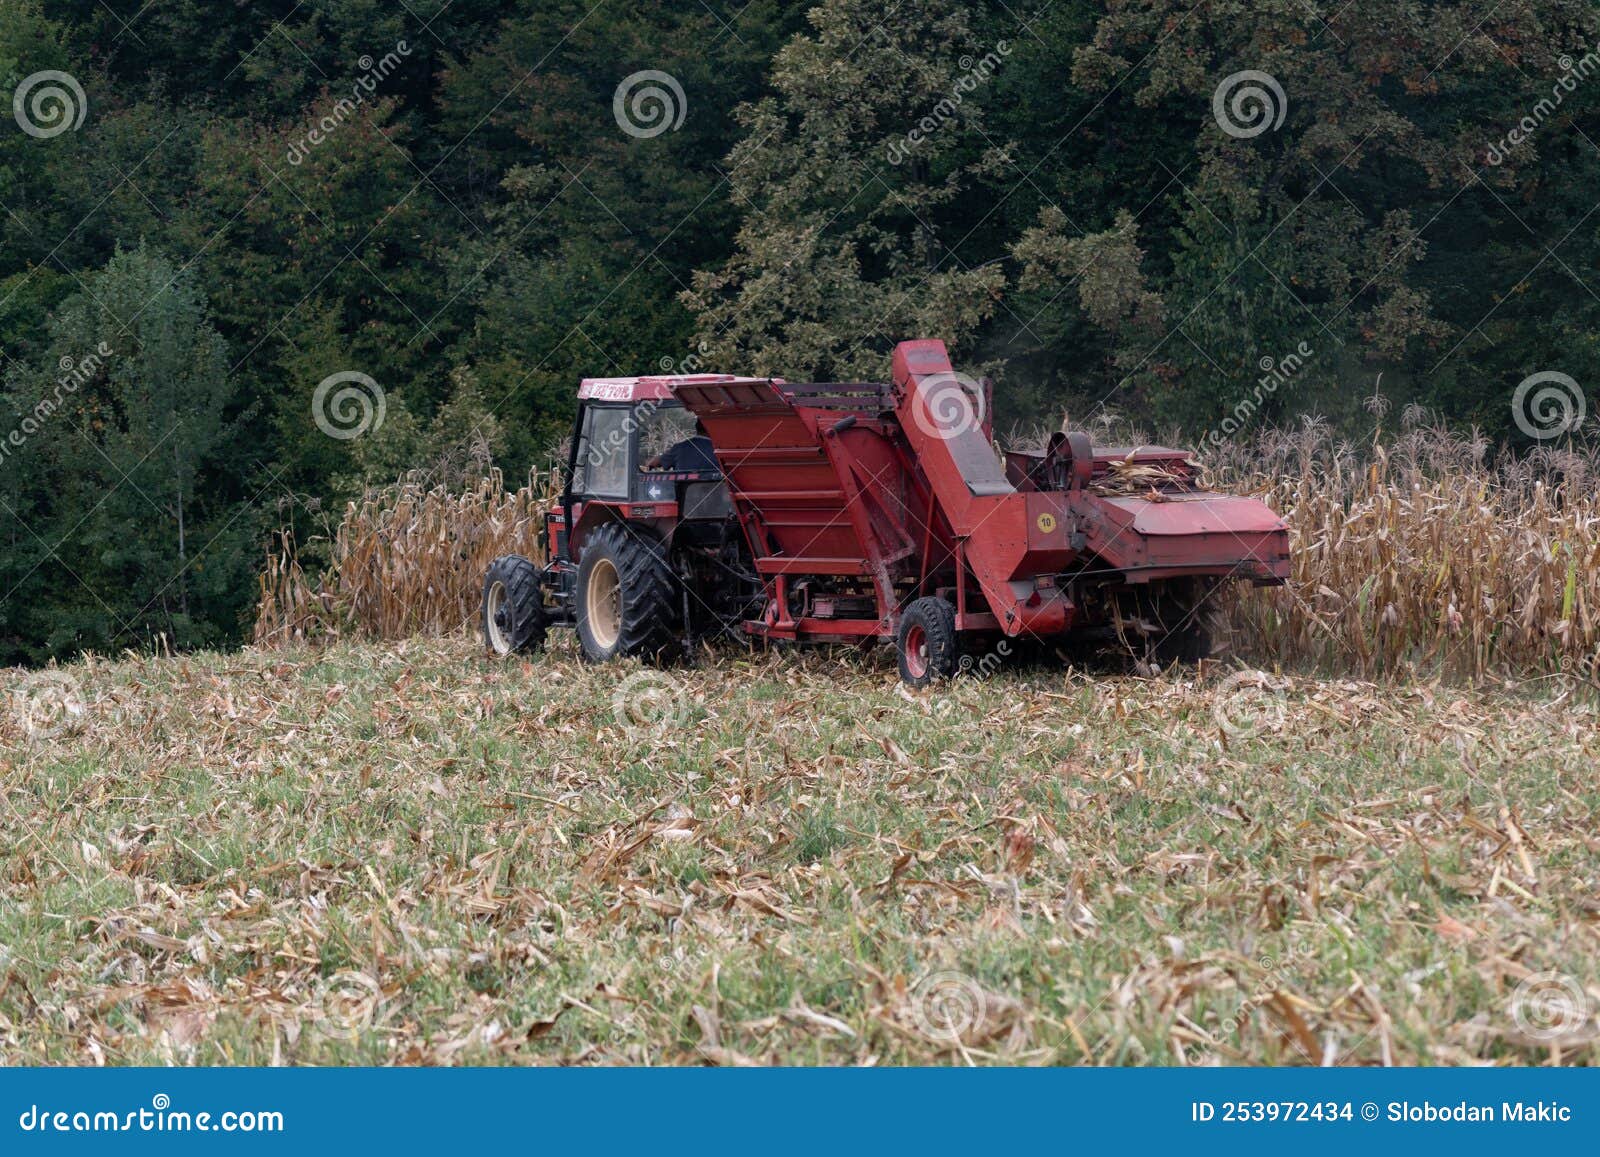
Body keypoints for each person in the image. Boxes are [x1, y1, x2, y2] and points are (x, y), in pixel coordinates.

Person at [647, 418, 719, 473]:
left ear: (696, 427)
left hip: (683, 490)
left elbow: (653, 463)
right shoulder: (720, 450)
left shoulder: (679, 448)